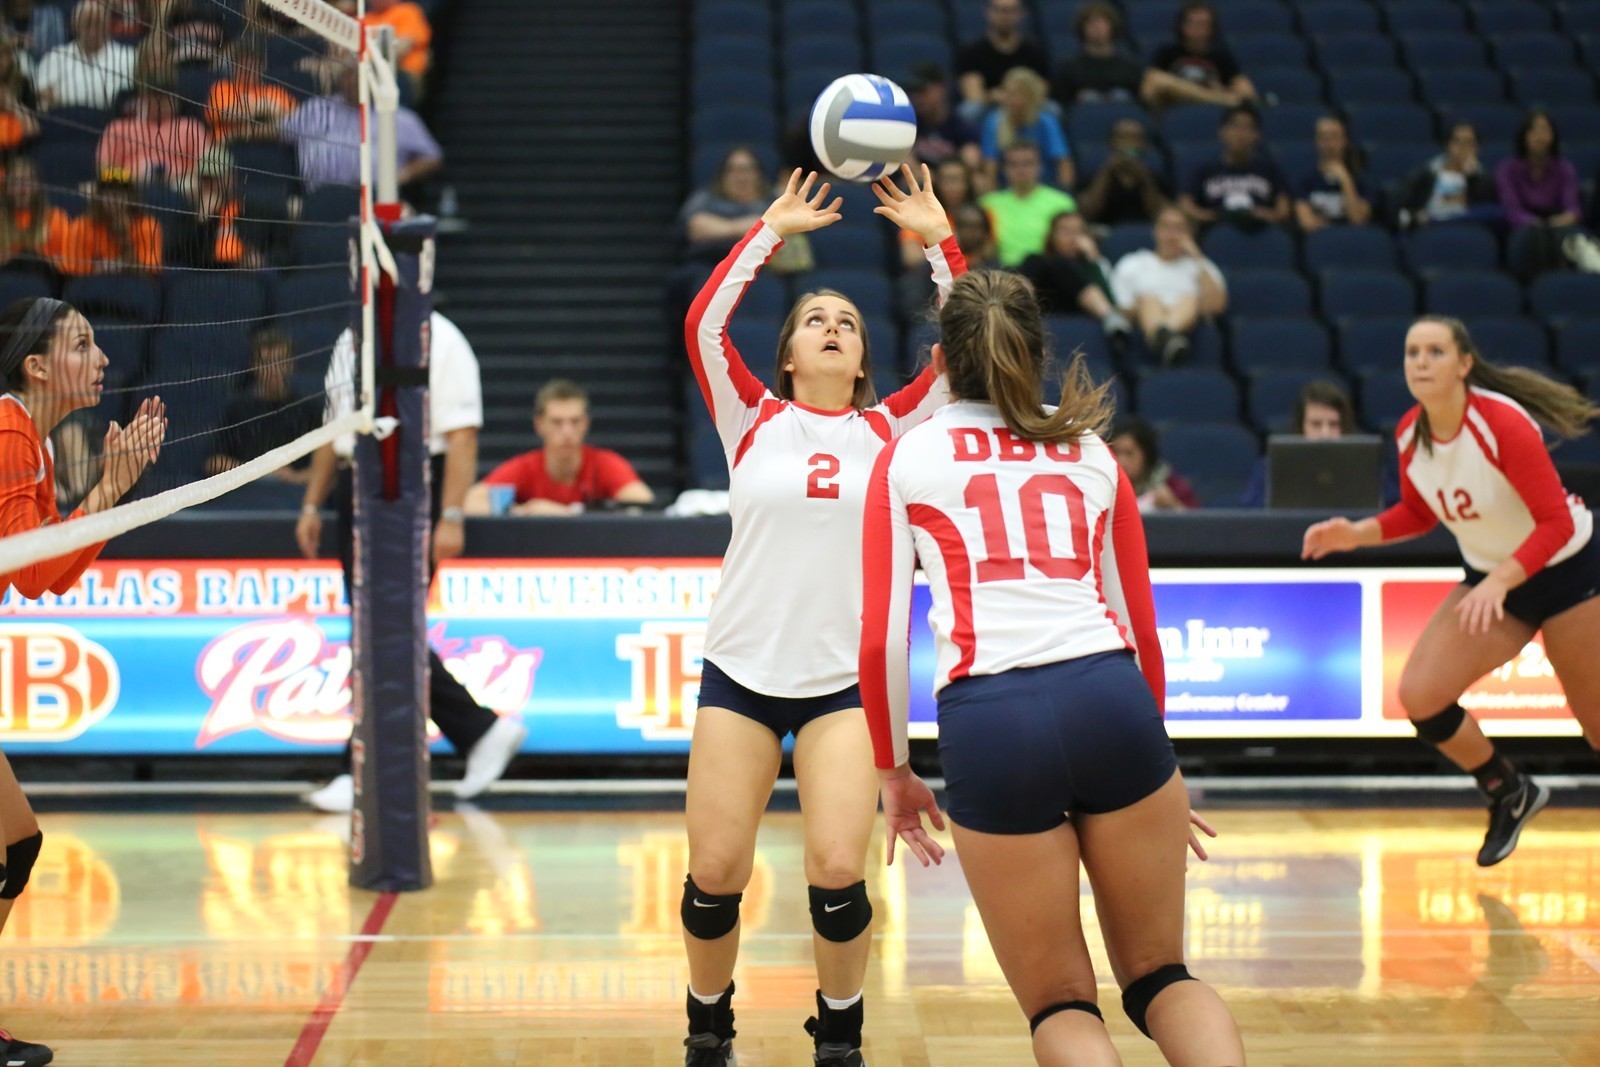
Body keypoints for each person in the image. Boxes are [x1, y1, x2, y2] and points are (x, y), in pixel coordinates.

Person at [858, 268, 1244, 1067]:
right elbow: (1140, 623)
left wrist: (893, 770)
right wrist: (1158, 767)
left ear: (939, 361)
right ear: (1035, 354)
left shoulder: (905, 457)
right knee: (1161, 976)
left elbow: (880, 641)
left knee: (1060, 1002)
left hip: (993, 720)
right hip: (1111, 700)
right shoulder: (1092, 449)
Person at [678, 165, 963, 1067]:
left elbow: (968, 346)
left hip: (845, 687)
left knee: (839, 875)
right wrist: (768, 232)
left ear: (864, 358)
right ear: (790, 357)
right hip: (742, 675)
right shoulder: (751, 418)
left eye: (846, 321)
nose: (832, 328)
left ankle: (838, 1035)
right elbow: (704, 324)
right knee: (715, 877)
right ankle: (708, 1029)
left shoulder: (896, 429)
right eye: (814, 320)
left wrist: (938, 243)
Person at [1303, 316, 1600, 866]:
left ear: (1464, 364)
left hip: (1568, 573)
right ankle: (1509, 791)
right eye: (1413, 352)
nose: (1420, 362)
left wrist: (1499, 581)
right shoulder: (1410, 434)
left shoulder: (1501, 424)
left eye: (1435, 351)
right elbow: (1419, 512)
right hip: (1495, 579)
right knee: (1420, 694)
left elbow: (1555, 523)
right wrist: (1357, 533)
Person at [0, 295, 166, 1067]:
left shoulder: (26, 436)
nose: (102, 359)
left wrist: (108, 492)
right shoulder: (9, 434)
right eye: (83, 344)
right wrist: (105, 492)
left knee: (16, 845)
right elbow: (35, 570)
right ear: (37, 366)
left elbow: (38, 581)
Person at [297, 311, 528, 812]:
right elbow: (330, 426)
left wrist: (449, 515)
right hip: (355, 481)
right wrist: (314, 503)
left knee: (385, 629)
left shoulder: (440, 337)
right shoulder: (351, 336)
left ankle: (361, 768)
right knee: (378, 630)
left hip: (410, 484)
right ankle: (477, 731)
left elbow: (462, 435)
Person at [464, 379, 653, 515]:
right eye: (557, 422)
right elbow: (471, 502)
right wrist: (523, 510)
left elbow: (643, 502)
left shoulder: (604, 464)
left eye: (575, 421)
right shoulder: (526, 467)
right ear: (539, 425)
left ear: (586, 424)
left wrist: (568, 513)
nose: (567, 431)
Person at [282, 60, 441, 193]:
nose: (353, 81)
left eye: (359, 76)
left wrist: (403, 175)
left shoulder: (400, 118)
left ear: (375, 81)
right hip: (319, 196)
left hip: (376, 199)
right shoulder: (318, 108)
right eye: (348, 75)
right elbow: (278, 131)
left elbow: (432, 157)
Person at [1111, 205, 1226, 365]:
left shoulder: (1202, 266)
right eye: (1166, 227)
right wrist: (1148, 307)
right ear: (1155, 231)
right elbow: (1122, 310)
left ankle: (1162, 337)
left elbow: (1215, 307)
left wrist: (1197, 257)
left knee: (1189, 298)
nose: (1171, 235)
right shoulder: (1132, 263)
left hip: (1192, 335)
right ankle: (1169, 340)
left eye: (1179, 228)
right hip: (1141, 335)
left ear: (1189, 233)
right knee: (1149, 299)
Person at [204, 327, 315, 483]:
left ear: (291, 364)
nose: (274, 370)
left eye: (281, 362)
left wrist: (294, 478)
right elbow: (213, 462)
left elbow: (327, 468)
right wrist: (257, 472)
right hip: (245, 495)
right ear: (254, 366)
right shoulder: (237, 409)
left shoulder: (309, 409)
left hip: (293, 496)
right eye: (267, 363)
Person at [1019, 208, 1131, 346]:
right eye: (1065, 231)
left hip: (1084, 316)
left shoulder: (1092, 265)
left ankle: (1111, 320)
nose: (1072, 238)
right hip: (1045, 309)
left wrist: (1093, 261)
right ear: (1052, 236)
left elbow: (1110, 298)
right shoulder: (1038, 260)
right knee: (1056, 263)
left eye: (1078, 232)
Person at [1496, 110, 1584, 282]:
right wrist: (1537, 224)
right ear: (1524, 135)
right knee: (1533, 238)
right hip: (1523, 228)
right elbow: (1512, 210)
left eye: (1545, 130)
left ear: (1553, 136)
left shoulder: (1564, 169)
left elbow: (1573, 209)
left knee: (1571, 239)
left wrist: (1557, 222)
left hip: (1557, 224)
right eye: (1534, 130)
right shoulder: (1507, 169)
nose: (1540, 136)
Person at [1239, 379, 1355, 507]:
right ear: (1301, 426)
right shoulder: (1269, 469)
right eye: (1316, 424)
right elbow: (1253, 517)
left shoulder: (1365, 470)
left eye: (1334, 424)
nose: (1325, 434)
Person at [1181, 105, 1290, 230]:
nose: (1241, 134)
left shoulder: (1269, 170)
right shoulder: (1205, 170)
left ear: (1257, 135)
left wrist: (1265, 215)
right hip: (1216, 233)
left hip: (1259, 232)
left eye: (1248, 128)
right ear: (1221, 132)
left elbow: (1283, 210)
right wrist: (1215, 216)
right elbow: (1185, 205)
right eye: (1235, 126)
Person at [1142, 0, 1256, 112]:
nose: (1197, 29)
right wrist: (1217, 96)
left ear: (1212, 28)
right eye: (1192, 23)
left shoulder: (1222, 57)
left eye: (1203, 24)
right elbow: (1151, 87)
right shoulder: (1167, 53)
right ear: (1182, 25)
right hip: (1175, 112)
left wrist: (1178, 89)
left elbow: (1247, 93)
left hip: (1212, 116)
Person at [979, 139, 1077, 267]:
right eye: (1014, 164)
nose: (1021, 170)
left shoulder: (1063, 203)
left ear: (1040, 166)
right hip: (1001, 272)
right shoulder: (987, 204)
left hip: (1048, 270)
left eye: (1028, 163)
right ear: (1004, 169)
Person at [955, 0, 1049, 125]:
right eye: (1000, 10)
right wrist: (993, 97)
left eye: (1011, 11)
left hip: (1024, 103)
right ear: (988, 13)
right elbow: (973, 95)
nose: (1005, 16)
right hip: (990, 105)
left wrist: (1018, 98)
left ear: (1021, 14)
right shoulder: (972, 52)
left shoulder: (1034, 52)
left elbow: (1041, 89)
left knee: (1051, 109)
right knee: (970, 110)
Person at [56, 168, 162, 276]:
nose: (115, 199)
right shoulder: (81, 227)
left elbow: (149, 276)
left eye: (121, 193)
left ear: (132, 197)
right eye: (108, 193)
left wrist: (124, 240)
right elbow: (73, 274)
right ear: (98, 197)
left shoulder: (147, 226)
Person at [981, 67, 1073, 190]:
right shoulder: (994, 122)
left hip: (1045, 187)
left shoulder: (1046, 122)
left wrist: (1065, 194)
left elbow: (1063, 163)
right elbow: (990, 166)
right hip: (1007, 189)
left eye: (1020, 95)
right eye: (1010, 94)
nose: (1014, 101)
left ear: (1032, 97)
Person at [34, 0, 135, 110]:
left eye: (97, 23)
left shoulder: (127, 58)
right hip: (67, 120)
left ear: (107, 24)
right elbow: (42, 99)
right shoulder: (54, 57)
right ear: (75, 25)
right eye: (87, 23)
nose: (92, 30)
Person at [98, 85, 210, 182]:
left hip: (179, 185)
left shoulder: (190, 127)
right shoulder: (118, 128)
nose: (160, 101)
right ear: (143, 97)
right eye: (155, 94)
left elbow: (207, 169)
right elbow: (104, 170)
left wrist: (174, 175)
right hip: (131, 189)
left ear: (175, 98)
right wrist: (133, 177)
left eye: (165, 95)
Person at [1401, 122, 1500, 231]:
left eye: (1468, 142)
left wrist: (1473, 179)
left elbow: (1486, 214)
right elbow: (1405, 211)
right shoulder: (1426, 173)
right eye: (1456, 141)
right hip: (1429, 229)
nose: (1462, 148)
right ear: (1448, 145)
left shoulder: (1484, 179)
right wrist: (1416, 217)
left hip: (1466, 230)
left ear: (1477, 148)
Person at [679, 145, 769, 264]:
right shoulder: (704, 200)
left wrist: (719, 227)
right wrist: (751, 226)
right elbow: (695, 227)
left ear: (758, 174)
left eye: (747, 169)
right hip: (708, 265)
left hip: (760, 268)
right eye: (733, 170)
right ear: (722, 175)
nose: (741, 177)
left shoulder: (772, 202)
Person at [205, 35, 297, 143]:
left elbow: (293, 122)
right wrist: (264, 109)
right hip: (231, 149)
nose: (248, 69)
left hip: (267, 148)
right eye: (243, 63)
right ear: (234, 65)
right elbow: (220, 115)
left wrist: (239, 129)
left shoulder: (275, 92)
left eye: (253, 64)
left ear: (262, 66)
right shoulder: (221, 88)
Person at [1077, 118, 1169, 226]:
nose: (1129, 143)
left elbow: (1162, 214)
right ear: (1112, 142)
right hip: (1104, 230)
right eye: (1123, 137)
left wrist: (1145, 179)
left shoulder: (1155, 172)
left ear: (1144, 144)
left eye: (1135, 138)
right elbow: (1086, 214)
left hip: (1148, 229)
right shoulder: (1094, 171)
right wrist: (1107, 172)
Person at [1051, 0, 1144, 106]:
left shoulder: (1130, 67)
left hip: (1124, 118)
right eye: (1092, 22)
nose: (1098, 27)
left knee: (1120, 96)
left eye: (1103, 22)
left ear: (1112, 26)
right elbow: (1060, 103)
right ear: (1082, 28)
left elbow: (1141, 104)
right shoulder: (1067, 68)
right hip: (1083, 118)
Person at [1295, 115, 1375, 231]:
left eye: (1334, 137)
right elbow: (1307, 223)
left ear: (1345, 141)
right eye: (1323, 137)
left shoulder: (1363, 181)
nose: (1329, 144)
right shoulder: (1304, 180)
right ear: (1316, 142)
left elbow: (1358, 219)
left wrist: (1345, 180)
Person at [1109, 415, 1198, 511]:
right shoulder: (1103, 487)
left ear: (1146, 454)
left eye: (1129, 453)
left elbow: (1197, 523)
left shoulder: (1172, 485)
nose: (1122, 461)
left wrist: (1173, 504)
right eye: (1116, 453)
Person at [905, 61, 982, 171]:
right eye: (913, 92)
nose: (917, 98)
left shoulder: (961, 127)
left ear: (941, 89)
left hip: (950, 184)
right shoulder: (908, 125)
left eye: (922, 91)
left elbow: (972, 164)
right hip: (918, 184)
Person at [0, 157, 68, 276]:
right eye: (15, 182)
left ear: (37, 186)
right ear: (6, 188)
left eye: (27, 182)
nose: (21, 189)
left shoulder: (56, 218)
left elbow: (63, 265)